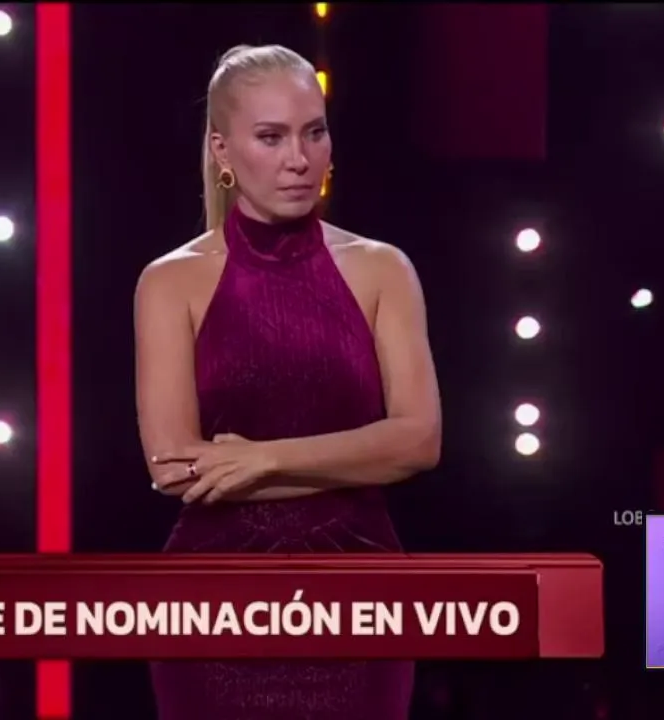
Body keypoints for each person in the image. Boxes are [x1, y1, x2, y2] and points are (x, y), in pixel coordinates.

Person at [134, 44, 441, 719]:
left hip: (362, 605)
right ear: (223, 150)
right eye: (271, 137)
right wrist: (355, 459)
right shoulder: (170, 281)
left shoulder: (383, 269)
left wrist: (262, 459)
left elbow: (419, 441)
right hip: (212, 610)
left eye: (314, 132)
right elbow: (175, 467)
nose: (299, 159)